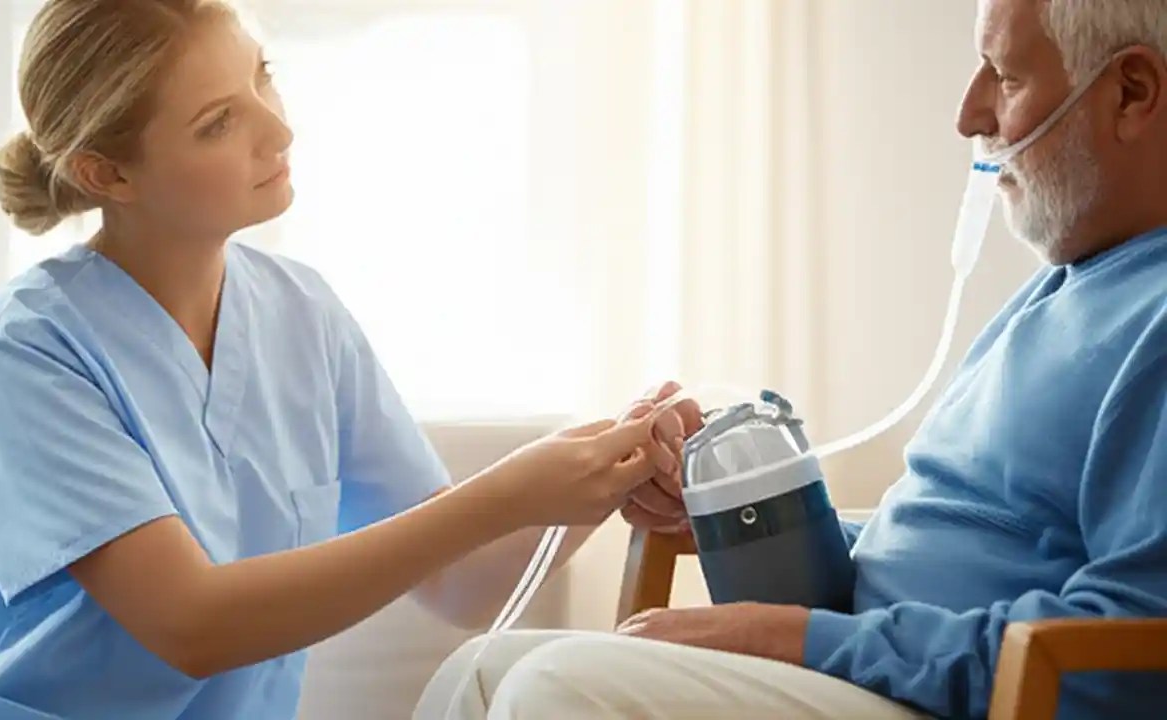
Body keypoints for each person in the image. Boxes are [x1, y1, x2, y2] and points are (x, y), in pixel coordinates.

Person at [0, 2, 703, 719]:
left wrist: (611, 469)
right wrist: (508, 494)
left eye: (263, 77)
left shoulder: (302, 316)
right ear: (107, 173)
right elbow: (193, 625)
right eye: (218, 122)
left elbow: (463, 584)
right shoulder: (25, 353)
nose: (279, 131)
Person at [417, 0, 1167, 718]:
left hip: (966, 700)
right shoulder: (1067, 289)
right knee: (482, 669)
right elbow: (949, 557)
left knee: (556, 692)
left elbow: (1130, 660)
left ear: (1131, 93)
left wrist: (794, 639)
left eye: (1004, 76)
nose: (970, 115)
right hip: (896, 670)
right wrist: (751, 525)